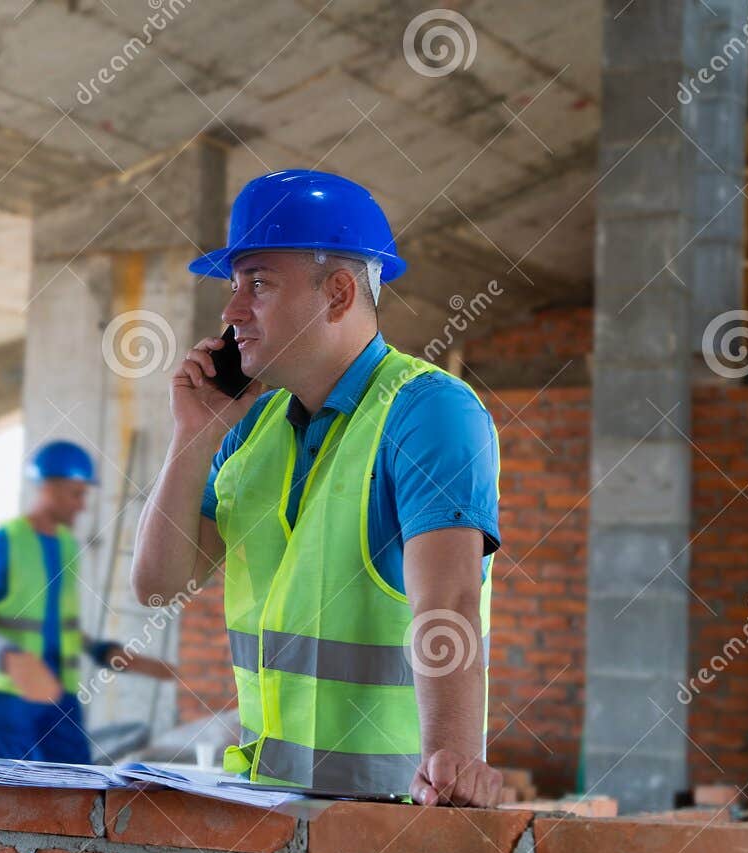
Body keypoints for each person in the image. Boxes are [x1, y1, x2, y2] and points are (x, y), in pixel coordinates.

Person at [131, 169, 504, 807]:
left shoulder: (428, 409)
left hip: (391, 807)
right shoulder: (251, 430)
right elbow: (158, 585)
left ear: (336, 293)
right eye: (234, 285)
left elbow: (450, 600)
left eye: (258, 283)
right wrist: (193, 435)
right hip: (272, 800)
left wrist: (452, 766)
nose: (231, 311)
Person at [0, 440, 176, 763]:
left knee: (75, 781)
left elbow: (62, 625)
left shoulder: (66, 546)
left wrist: (102, 651)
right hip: (12, 688)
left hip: (60, 686)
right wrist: (4, 652)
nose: (82, 505)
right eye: (76, 494)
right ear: (48, 489)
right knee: (3, 787)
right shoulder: (9, 540)